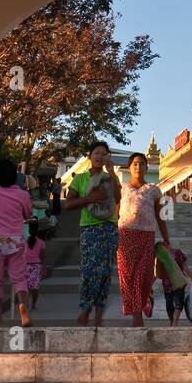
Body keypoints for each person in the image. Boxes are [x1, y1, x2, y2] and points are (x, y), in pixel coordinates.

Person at [64, 140, 121, 326]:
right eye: (96, 153)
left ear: (108, 158)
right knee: (89, 270)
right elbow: (68, 204)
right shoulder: (79, 179)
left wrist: (112, 173)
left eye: (104, 154)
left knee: (105, 271)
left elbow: (118, 197)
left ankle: (98, 312)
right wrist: (90, 198)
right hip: (89, 228)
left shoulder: (110, 177)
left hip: (109, 227)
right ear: (89, 156)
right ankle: (85, 308)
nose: (100, 156)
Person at [116, 152, 171, 327]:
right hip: (125, 237)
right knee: (128, 278)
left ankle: (144, 300)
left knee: (145, 276)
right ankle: (136, 316)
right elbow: (114, 213)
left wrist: (167, 239)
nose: (138, 167)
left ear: (147, 167)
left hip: (147, 236)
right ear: (129, 167)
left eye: (142, 164)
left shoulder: (154, 189)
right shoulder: (122, 189)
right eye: (135, 164)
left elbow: (161, 216)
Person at [0, 158, 33, 327]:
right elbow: (28, 214)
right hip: (16, 240)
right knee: (19, 277)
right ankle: (23, 307)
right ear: (15, 177)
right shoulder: (23, 194)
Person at [155, 244, 192, 326]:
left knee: (172, 303)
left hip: (172, 284)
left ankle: (174, 322)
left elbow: (156, 273)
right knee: (175, 303)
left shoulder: (167, 254)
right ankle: (174, 322)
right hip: (176, 283)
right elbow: (157, 271)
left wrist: (190, 275)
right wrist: (190, 275)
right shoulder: (174, 253)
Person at [25, 218, 46, 309]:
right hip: (36, 266)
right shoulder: (41, 243)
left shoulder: (25, 241)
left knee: (27, 287)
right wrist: (44, 268)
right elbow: (42, 257)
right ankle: (33, 305)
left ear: (29, 231)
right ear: (37, 231)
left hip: (25, 266)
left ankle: (26, 304)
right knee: (35, 287)